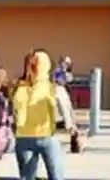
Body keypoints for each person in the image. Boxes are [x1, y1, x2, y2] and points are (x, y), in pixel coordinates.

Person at [12, 49, 77, 180]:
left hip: (23, 137)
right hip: (46, 136)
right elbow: (64, 107)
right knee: (56, 175)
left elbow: (14, 110)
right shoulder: (52, 87)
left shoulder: (19, 87)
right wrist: (71, 127)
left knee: (27, 176)